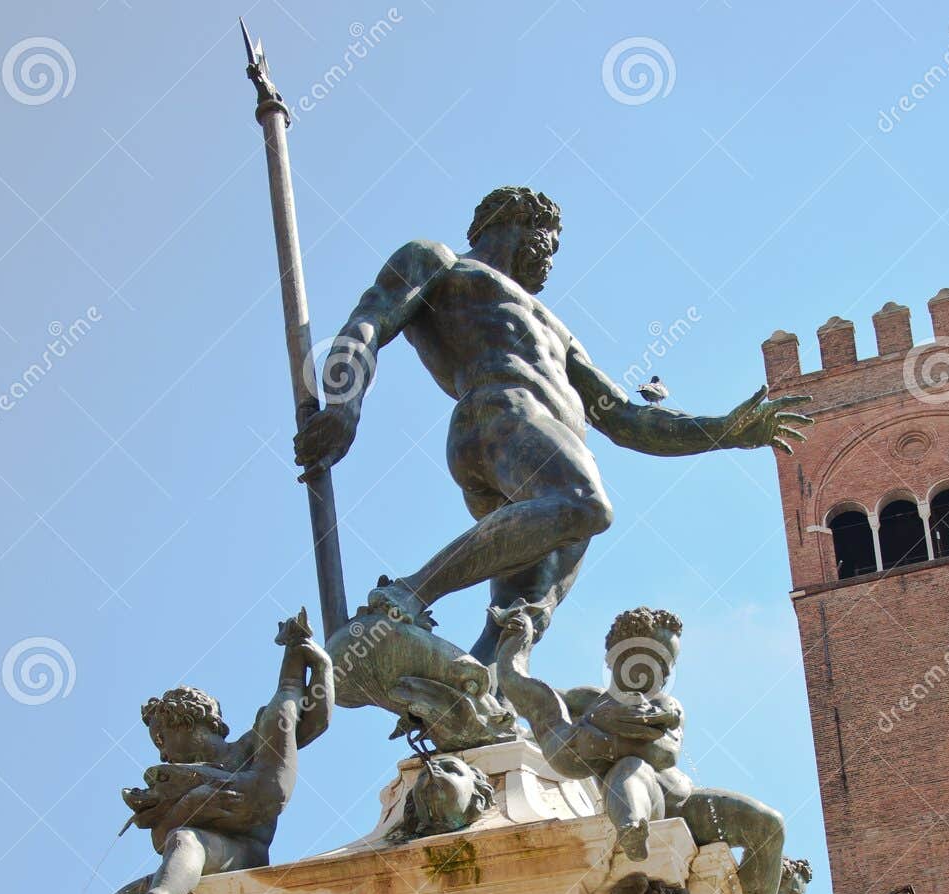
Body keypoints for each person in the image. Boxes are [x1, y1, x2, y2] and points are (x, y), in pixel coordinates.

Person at [293, 186, 811, 659]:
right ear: (516, 223)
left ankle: (461, 703)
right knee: (586, 505)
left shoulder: (558, 330)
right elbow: (366, 324)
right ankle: (407, 593)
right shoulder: (442, 264)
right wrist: (344, 407)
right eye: (550, 241)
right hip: (498, 417)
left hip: (545, 460)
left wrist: (724, 430)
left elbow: (627, 419)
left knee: (518, 623)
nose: (551, 258)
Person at [494, 603, 786, 894]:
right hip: (642, 796)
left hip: (686, 803)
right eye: (651, 659)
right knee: (630, 771)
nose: (658, 673)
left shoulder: (665, 706)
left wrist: (606, 732)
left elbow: (666, 751)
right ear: (616, 658)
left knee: (768, 824)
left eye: (666, 665)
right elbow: (524, 693)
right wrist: (517, 639)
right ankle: (631, 828)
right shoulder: (590, 701)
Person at [95, 611, 332, 894]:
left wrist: (321, 668)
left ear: (186, 722)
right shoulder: (179, 779)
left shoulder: (244, 748)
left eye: (162, 739)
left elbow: (309, 719)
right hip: (190, 861)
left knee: (187, 839)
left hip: (241, 853)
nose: (162, 752)